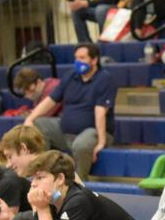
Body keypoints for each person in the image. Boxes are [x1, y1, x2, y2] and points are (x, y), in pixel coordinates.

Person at [25, 43, 115, 181]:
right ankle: (45, 175)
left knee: (81, 144)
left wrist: (101, 142)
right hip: (65, 132)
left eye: (82, 58)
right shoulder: (70, 75)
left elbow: (100, 112)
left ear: (94, 60)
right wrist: (30, 119)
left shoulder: (105, 79)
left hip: (93, 131)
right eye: (76, 58)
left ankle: (79, 182)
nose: (78, 61)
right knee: (37, 125)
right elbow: (51, 100)